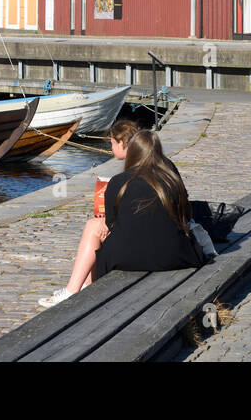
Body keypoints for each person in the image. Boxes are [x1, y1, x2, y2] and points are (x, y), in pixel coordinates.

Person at [39, 121, 205, 308]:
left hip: (127, 257)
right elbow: (185, 213)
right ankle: (82, 289)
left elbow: (111, 224)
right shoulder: (171, 173)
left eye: (111, 142)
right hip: (177, 254)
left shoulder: (118, 182)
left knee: (93, 226)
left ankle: (75, 290)